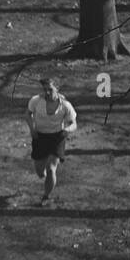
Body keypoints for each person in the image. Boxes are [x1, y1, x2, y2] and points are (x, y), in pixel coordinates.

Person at [25, 77, 78, 205]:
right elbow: (27, 114)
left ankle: (46, 196)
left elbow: (74, 123)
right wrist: (32, 129)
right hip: (40, 137)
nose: (47, 93)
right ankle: (45, 178)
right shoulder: (36, 101)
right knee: (39, 171)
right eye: (45, 90)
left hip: (57, 138)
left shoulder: (65, 105)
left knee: (51, 168)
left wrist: (68, 130)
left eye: (50, 89)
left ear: (57, 89)